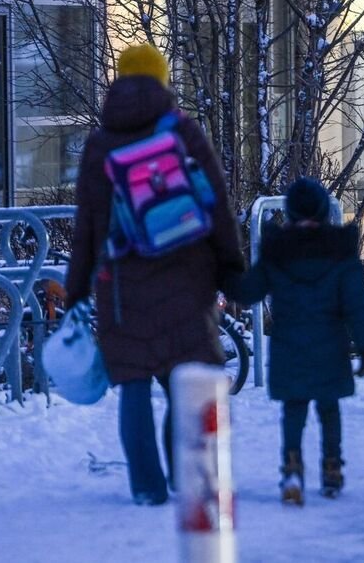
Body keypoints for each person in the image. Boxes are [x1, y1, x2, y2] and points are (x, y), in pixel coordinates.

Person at [65, 43, 245, 506]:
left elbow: (88, 225)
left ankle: (146, 487)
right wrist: (231, 268)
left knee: (135, 385)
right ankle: (185, 474)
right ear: (163, 79)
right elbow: (217, 204)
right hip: (188, 275)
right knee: (185, 380)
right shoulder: (182, 130)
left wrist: (77, 290)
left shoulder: (101, 144)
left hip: (123, 285)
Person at [239, 178, 364, 505]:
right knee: (329, 409)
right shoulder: (340, 251)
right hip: (330, 343)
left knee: (294, 409)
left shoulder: (277, 251)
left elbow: (248, 292)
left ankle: (291, 468)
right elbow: (356, 304)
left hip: (289, 345)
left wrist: (224, 271)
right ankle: (331, 468)